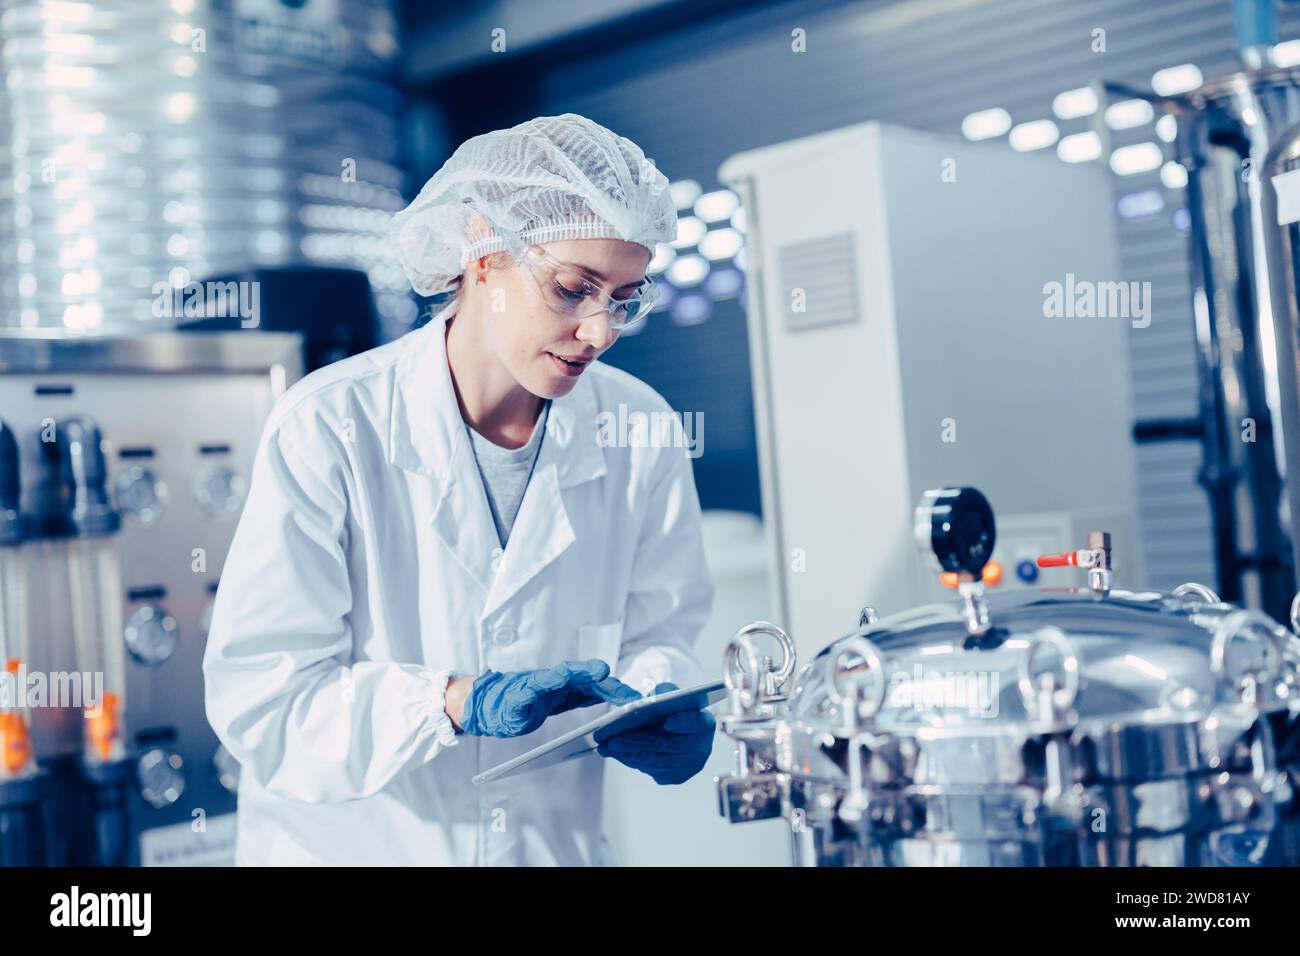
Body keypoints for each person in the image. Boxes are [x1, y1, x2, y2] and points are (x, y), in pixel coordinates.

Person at [202, 113, 717, 866]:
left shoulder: (639, 426)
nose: (602, 330)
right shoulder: (331, 426)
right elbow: (267, 703)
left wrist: (663, 701)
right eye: (573, 289)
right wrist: (452, 702)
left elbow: (658, 635)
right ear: (483, 252)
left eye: (625, 298)